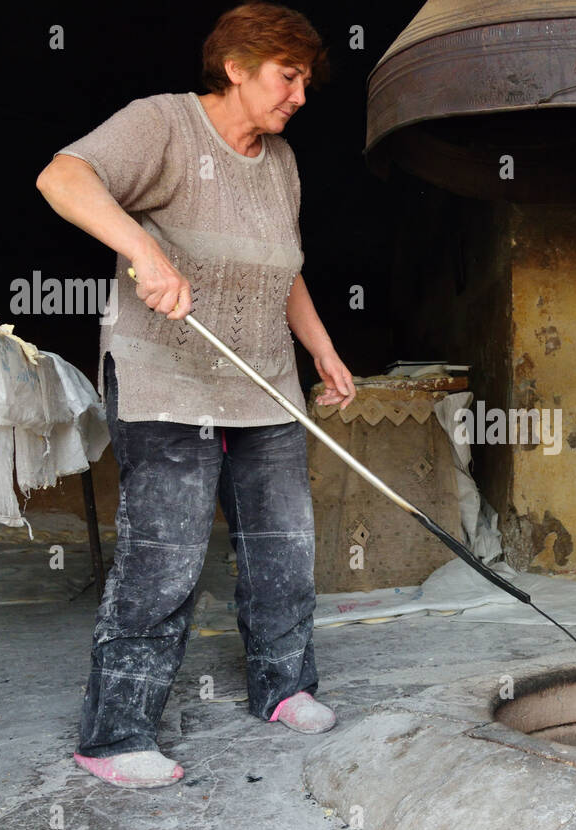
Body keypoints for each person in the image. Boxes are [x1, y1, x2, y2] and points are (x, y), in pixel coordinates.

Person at [36, 3, 356, 788]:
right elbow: (62, 175)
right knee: (165, 554)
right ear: (237, 65)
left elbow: (281, 266)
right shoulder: (164, 126)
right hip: (166, 376)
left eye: (308, 80)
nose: (301, 96)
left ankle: (285, 685)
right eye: (289, 76)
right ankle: (115, 733)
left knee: (284, 543)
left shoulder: (280, 162)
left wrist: (322, 349)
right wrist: (143, 251)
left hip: (263, 378)